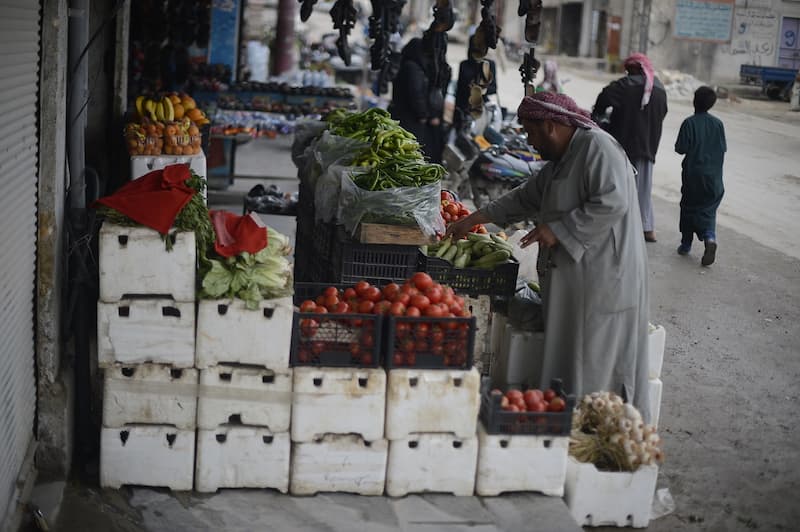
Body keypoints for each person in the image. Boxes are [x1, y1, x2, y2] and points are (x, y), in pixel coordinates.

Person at [447, 92, 651, 421]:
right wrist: (472, 219)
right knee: (573, 358)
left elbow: (613, 201)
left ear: (550, 126)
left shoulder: (598, 147)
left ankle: (601, 426)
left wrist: (559, 230)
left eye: (531, 132)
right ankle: (567, 420)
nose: (530, 140)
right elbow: (525, 197)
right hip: (577, 280)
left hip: (605, 279)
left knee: (597, 361)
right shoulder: (562, 160)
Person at [592, 53, 667, 243]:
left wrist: (598, 115)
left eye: (628, 70)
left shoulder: (626, 85)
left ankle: (627, 227)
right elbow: (663, 113)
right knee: (644, 187)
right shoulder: (659, 87)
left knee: (623, 186)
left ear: (634, 68)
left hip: (625, 142)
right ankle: (647, 227)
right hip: (649, 144)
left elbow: (604, 96)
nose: (627, 73)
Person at [675, 86, 727, 266]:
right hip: (714, 179)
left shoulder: (689, 123)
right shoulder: (718, 124)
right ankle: (709, 238)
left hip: (693, 176)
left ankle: (686, 244)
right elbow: (722, 149)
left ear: (694, 101)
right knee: (708, 210)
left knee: (688, 207)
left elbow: (680, 148)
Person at [389, 33, 450, 163]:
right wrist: (423, 114)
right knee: (409, 152)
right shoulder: (412, 68)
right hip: (410, 118)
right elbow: (416, 94)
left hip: (403, 115)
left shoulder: (406, 65)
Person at [454, 34, 497, 131]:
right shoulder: (464, 65)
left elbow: (493, 88)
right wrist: (456, 115)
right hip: (465, 108)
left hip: (482, 109)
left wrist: (481, 89)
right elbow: (459, 91)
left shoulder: (489, 65)